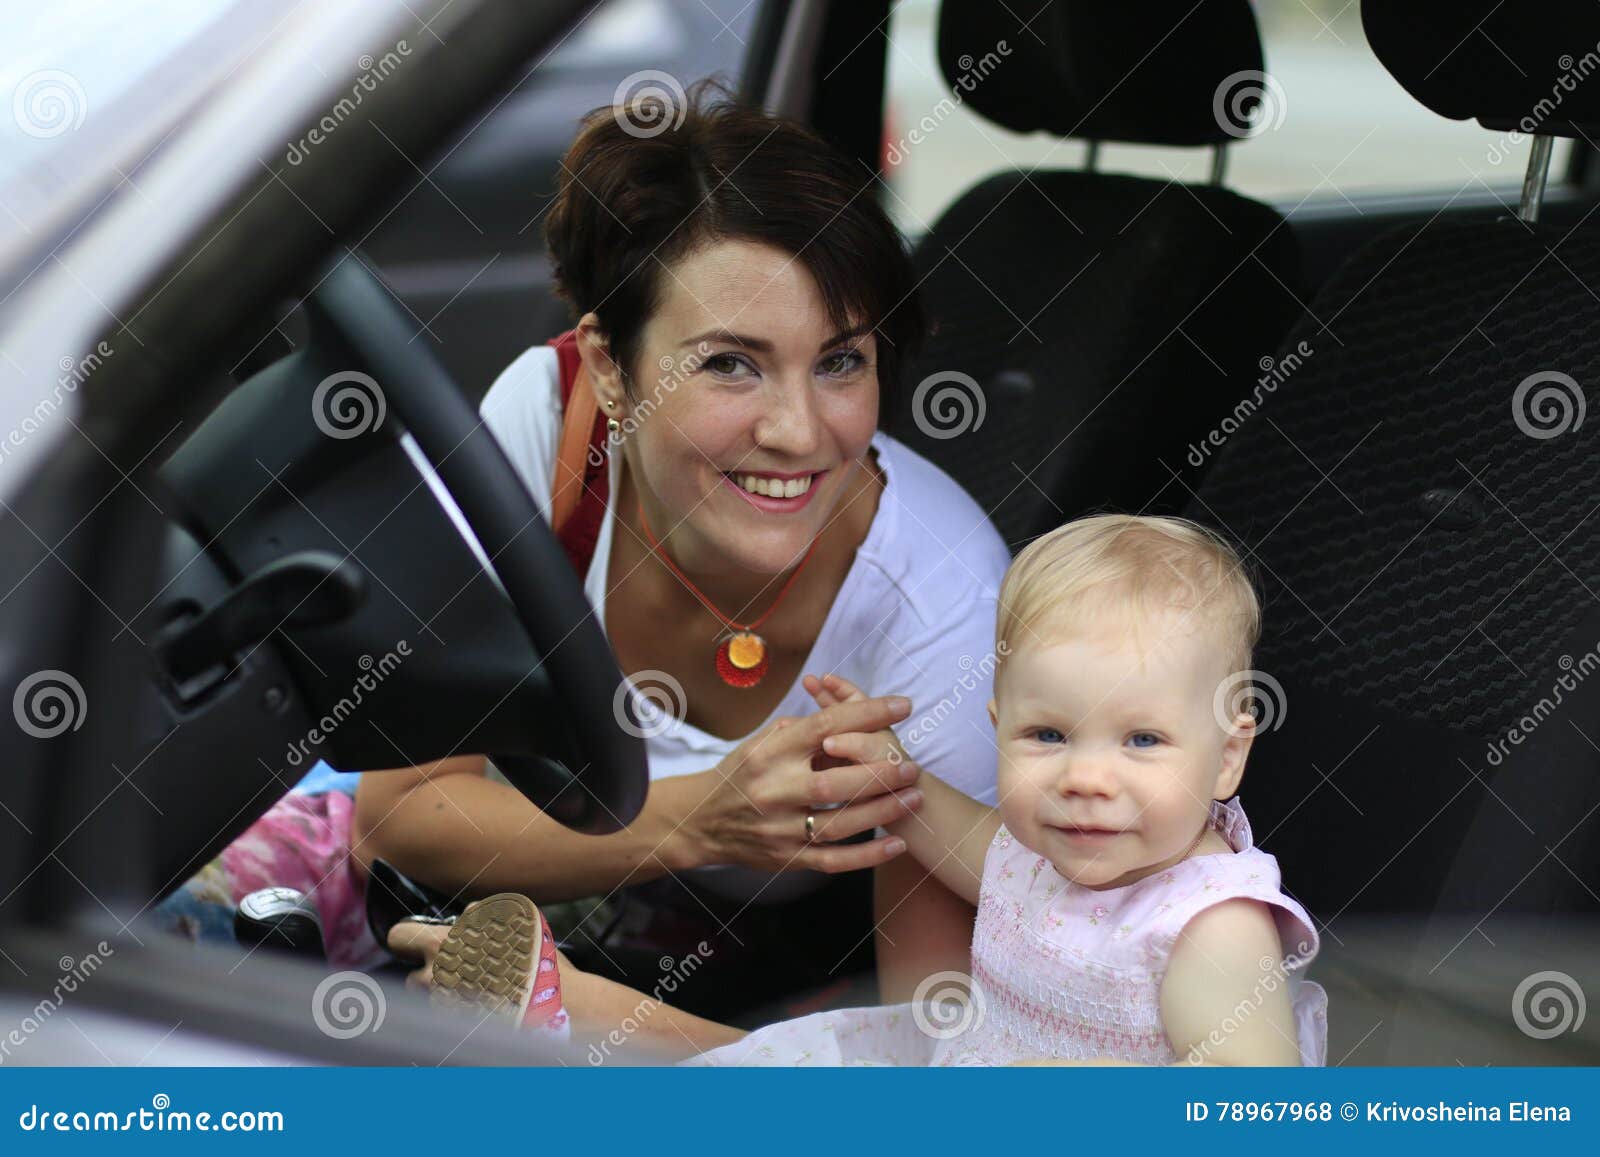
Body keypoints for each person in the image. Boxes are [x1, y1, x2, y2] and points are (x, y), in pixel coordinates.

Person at [152, 81, 1012, 1020]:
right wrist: (698, 819)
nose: (800, 432)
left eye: (842, 360)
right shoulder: (550, 426)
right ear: (608, 364)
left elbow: (934, 1056)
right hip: (501, 925)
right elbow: (399, 816)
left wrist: (586, 1017)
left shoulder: (946, 601)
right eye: (730, 362)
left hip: (744, 1008)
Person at [683, 514, 1330, 1064]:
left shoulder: (1210, 922)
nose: (1085, 779)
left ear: (1228, 755)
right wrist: (890, 774)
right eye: (1048, 735)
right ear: (1000, 727)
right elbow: (965, 840)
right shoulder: (1035, 854)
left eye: (1141, 740)